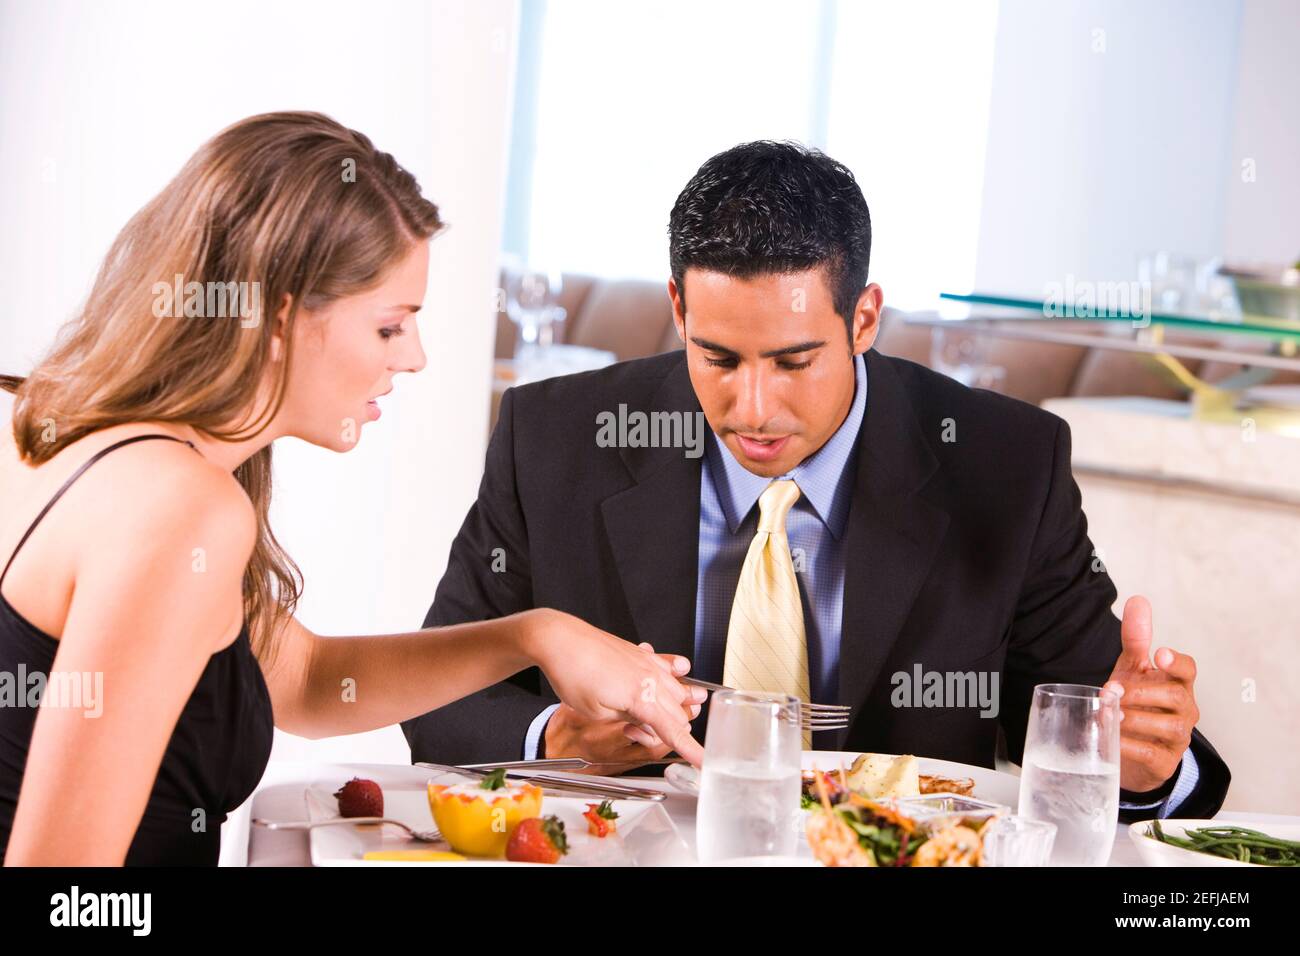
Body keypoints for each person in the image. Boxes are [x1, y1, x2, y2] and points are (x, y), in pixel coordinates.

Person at [402, 140, 1230, 820]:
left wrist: (1144, 761)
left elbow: (1108, 735)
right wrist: (558, 737)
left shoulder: (1006, 467)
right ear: (679, 310)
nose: (752, 407)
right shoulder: (554, 439)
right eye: (718, 358)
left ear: (864, 318)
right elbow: (436, 694)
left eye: (795, 361)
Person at [0, 111, 702, 866]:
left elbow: (304, 680)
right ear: (278, 318)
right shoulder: (181, 513)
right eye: (390, 327)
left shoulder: (41, 418)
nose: (417, 357)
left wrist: (537, 635)